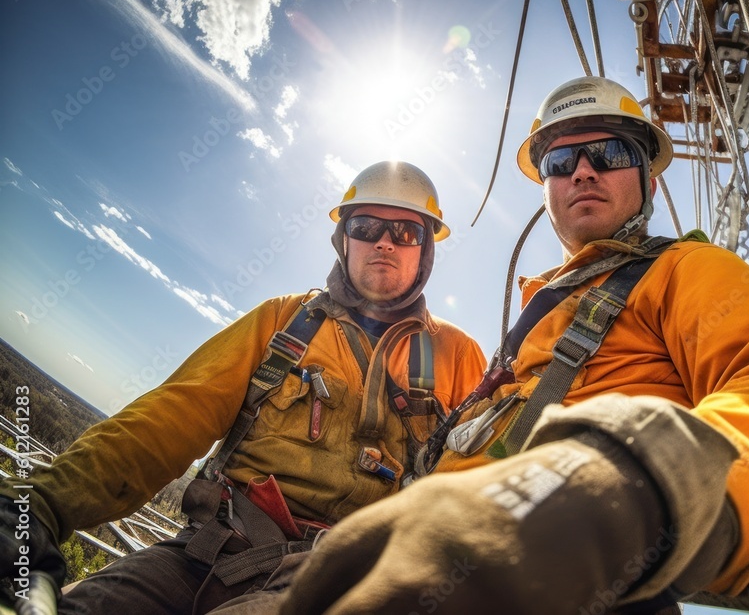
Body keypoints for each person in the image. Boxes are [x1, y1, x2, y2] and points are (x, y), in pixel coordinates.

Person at [257, 76, 749, 615]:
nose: (582, 170)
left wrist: (630, 494)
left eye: (609, 152)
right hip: (401, 552)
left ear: (649, 177)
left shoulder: (686, 270)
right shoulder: (536, 317)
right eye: (561, 159)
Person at [0, 161, 487, 613]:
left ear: (425, 249)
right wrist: (41, 505)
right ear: (345, 239)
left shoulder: (459, 357)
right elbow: (172, 417)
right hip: (208, 551)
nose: (384, 242)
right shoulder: (284, 322)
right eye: (366, 227)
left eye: (405, 230)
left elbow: (475, 494)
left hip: (331, 585)